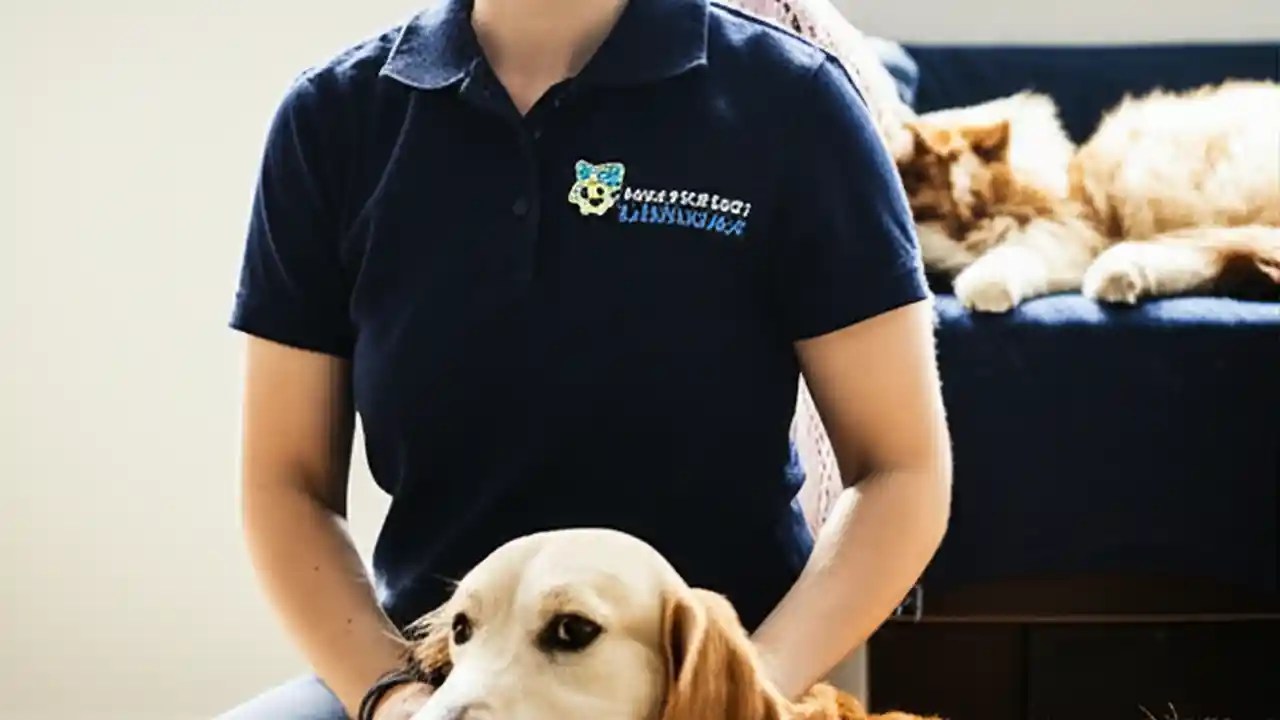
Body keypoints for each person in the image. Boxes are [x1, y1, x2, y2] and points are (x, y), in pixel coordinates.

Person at [222, 0, 952, 716]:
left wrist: (737, 695)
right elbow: (287, 485)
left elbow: (901, 469)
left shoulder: (793, 99)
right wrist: (394, 698)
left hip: (725, 677)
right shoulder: (331, 118)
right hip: (446, 682)